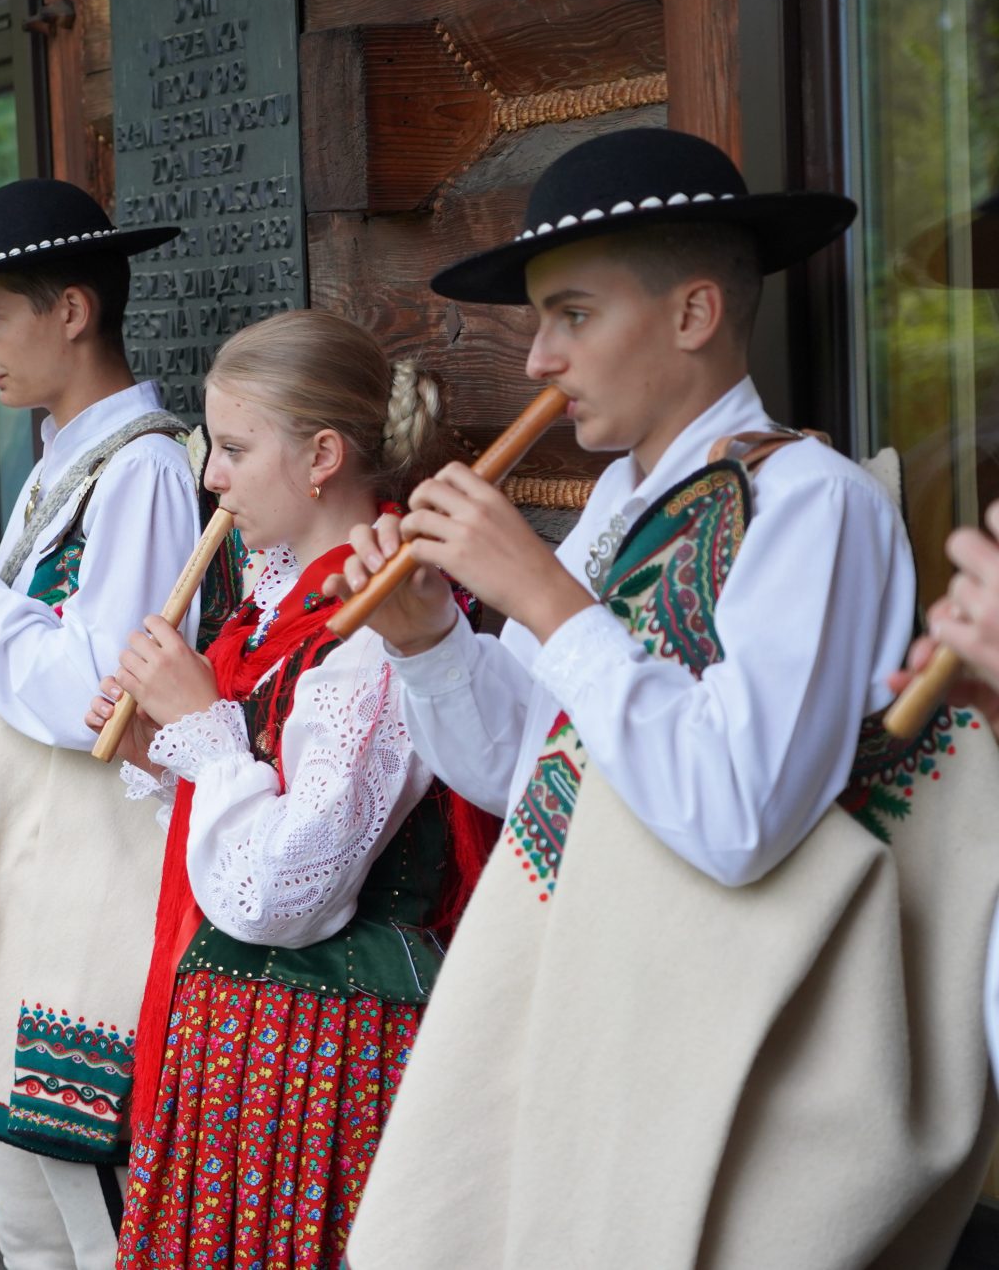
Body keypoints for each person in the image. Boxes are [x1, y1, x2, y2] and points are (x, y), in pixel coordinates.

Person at [332, 127, 999, 1267]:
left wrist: (547, 601)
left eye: (573, 315)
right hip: (589, 1027)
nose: (538, 358)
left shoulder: (809, 503)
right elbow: (533, 777)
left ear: (692, 316)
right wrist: (427, 640)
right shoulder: (617, 508)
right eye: (538, 320)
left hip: (713, 1069)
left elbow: (736, 819)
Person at [84, 310, 482, 1268]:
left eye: (231, 448)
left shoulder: (377, 629)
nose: (210, 477)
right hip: (243, 1041)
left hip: (322, 1056)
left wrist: (208, 735)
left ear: (323, 457)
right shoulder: (273, 604)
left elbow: (282, 894)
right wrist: (161, 745)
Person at [0, 178, 208, 1267]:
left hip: (92, 900)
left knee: (95, 1217)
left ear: (71, 311)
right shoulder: (57, 462)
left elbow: (92, 704)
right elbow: (4, 665)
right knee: (25, 1223)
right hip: (28, 884)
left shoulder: (144, 467)